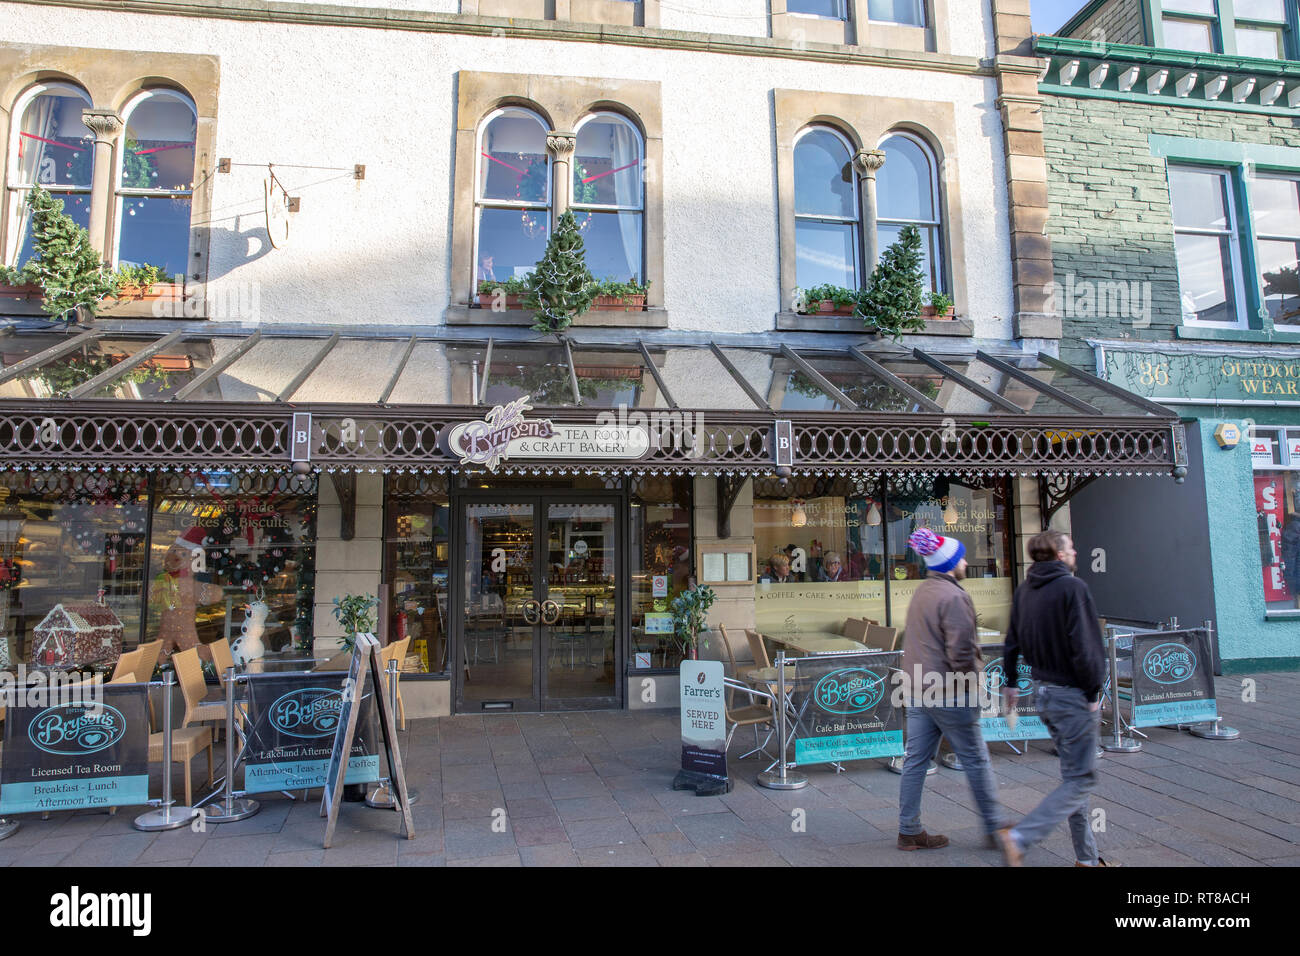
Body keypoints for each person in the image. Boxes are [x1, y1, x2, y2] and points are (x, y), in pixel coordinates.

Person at [995, 530, 1110, 867]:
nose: (1075, 551)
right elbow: (1086, 648)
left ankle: (1086, 859)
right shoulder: (1073, 589)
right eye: (1070, 547)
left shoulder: (1025, 591)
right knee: (1081, 779)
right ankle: (1020, 837)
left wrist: (1011, 683)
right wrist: (1093, 693)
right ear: (1059, 554)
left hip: (1043, 693)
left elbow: (1011, 642)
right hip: (1072, 696)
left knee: (1074, 777)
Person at [897, 528, 1010, 856]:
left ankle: (909, 831)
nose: (965, 562)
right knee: (975, 759)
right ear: (950, 563)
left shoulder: (922, 591)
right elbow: (961, 652)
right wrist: (975, 688)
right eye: (961, 558)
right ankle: (995, 829)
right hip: (950, 692)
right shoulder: (954, 597)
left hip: (918, 690)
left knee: (915, 761)